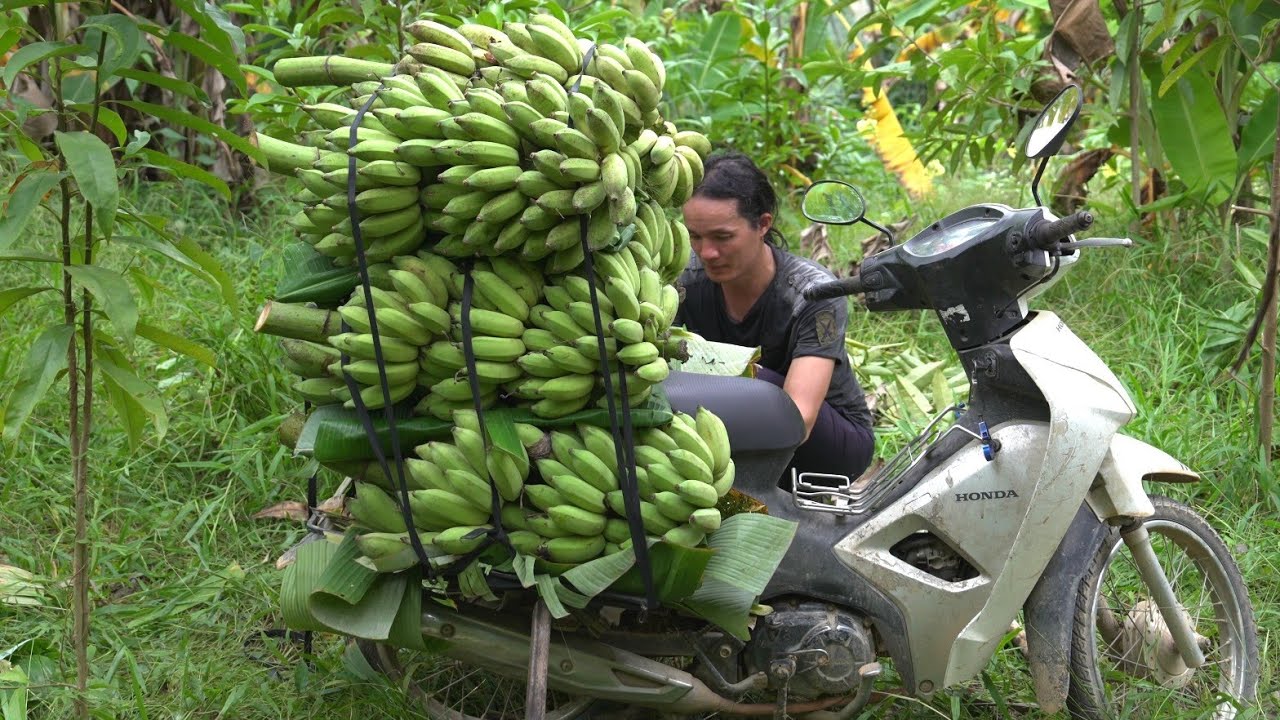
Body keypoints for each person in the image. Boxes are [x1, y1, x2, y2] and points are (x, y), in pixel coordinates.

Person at [675, 152, 875, 481]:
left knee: (750, 378)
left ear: (763, 225)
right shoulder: (687, 282)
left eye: (723, 237)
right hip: (733, 429)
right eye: (695, 236)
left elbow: (799, 420)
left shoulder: (814, 294)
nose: (707, 252)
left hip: (827, 443)